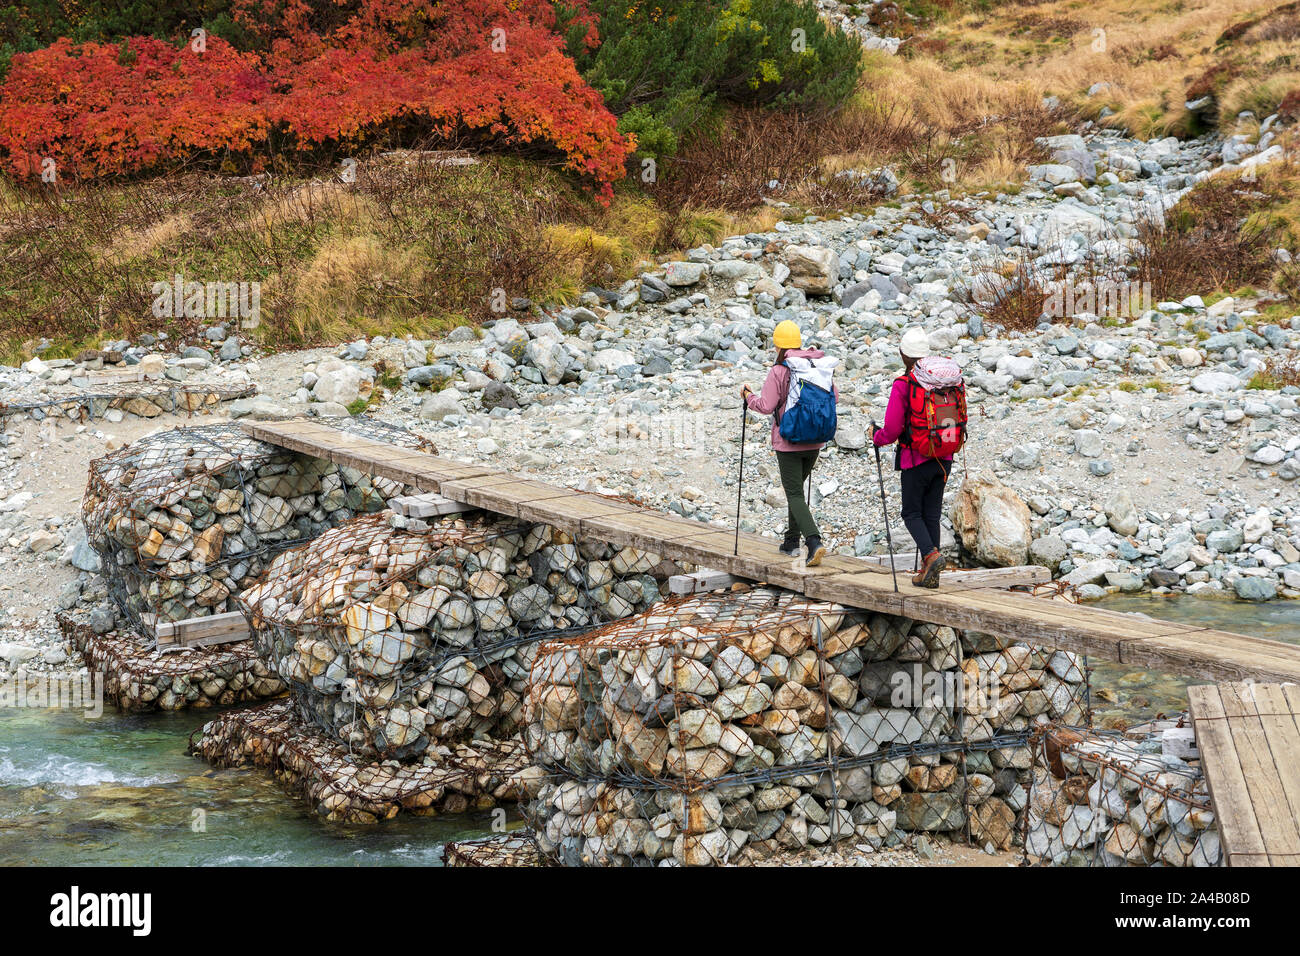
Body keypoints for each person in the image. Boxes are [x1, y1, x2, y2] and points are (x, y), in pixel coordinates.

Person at [741, 320, 838, 566]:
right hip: (815, 441)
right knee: (797, 491)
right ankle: (791, 541)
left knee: (794, 493)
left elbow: (766, 406)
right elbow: (834, 397)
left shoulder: (779, 371)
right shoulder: (814, 366)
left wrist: (747, 396)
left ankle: (813, 541)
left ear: (778, 346)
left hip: (788, 442)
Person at [870, 326, 956, 588]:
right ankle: (930, 574)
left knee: (910, 513)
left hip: (915, 458)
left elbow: (893, 429)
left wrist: (877, 437)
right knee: (931, 514)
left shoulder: (904, 385)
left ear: (902, 355)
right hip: (945, 456)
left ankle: (931, 557)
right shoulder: (946, 383)